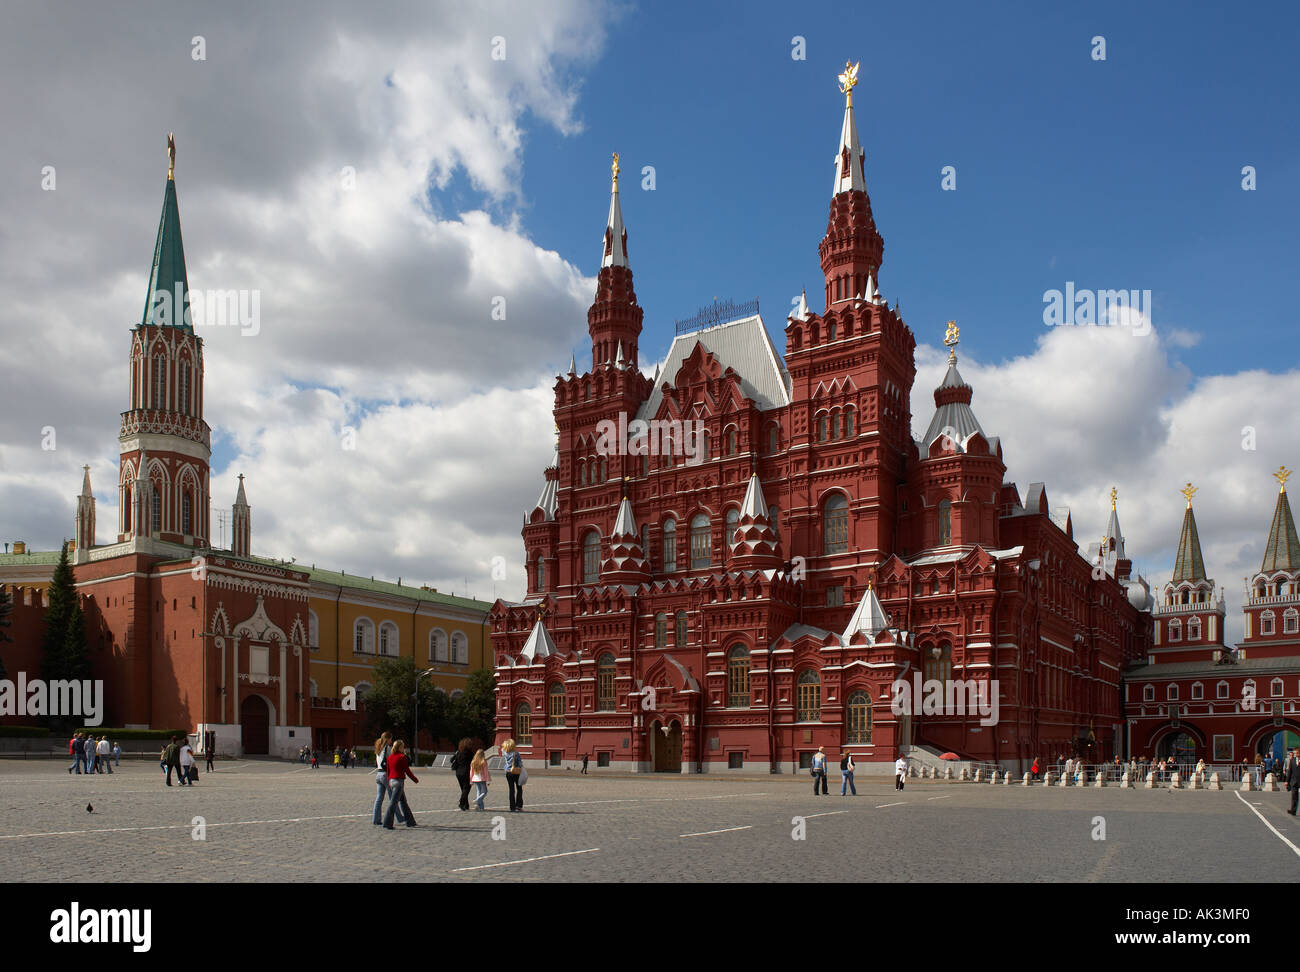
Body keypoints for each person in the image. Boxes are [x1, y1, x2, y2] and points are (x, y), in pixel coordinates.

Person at [383, 740, 419, 829]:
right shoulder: (402, 757)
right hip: (399, 782)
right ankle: (387, 823)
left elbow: (388, 771)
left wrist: (389, 781)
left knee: (403, 802)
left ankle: (410, 821)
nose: (404, 748)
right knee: (393, 803)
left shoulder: (390, 757)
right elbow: (407, 770)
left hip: (391, 781)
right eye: (403, 746)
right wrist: (415, 779)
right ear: (400, 747)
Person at [373, 733, 405, 826]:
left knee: (379, 798)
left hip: (378, 774)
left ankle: (376, 819)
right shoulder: (387, 748)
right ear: (387, 739)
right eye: (391, 739)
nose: (391, 741)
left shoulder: (378, 748)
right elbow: (392, 759)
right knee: (393, 797)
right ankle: (399, 817)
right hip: (385, 774)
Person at [502, 738, 526, 812]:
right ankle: (519, 805)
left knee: (511, 790)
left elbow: (502, 748)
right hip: (516, 772)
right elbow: (520, 763)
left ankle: (512, 807)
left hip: (508, 772)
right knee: (519, 788)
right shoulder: (516, 753)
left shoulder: (504, 752)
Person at [451, 738, 474, 811]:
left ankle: (466, 805)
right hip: (467, 772)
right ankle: (461, 803)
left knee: (463, 789)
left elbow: (451, 760)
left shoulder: (458, 752)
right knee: (466, 789)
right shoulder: (471, 753)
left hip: (458, 773)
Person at [1286, 747, 1300, 816]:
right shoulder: (1292, 760)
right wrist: (1287, 781)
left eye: (1297, 753)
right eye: (1295, 753)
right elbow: (1290, 771)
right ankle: (1293, 810)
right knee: (1294, 796)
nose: (1295, 754)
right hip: (1294, 781)